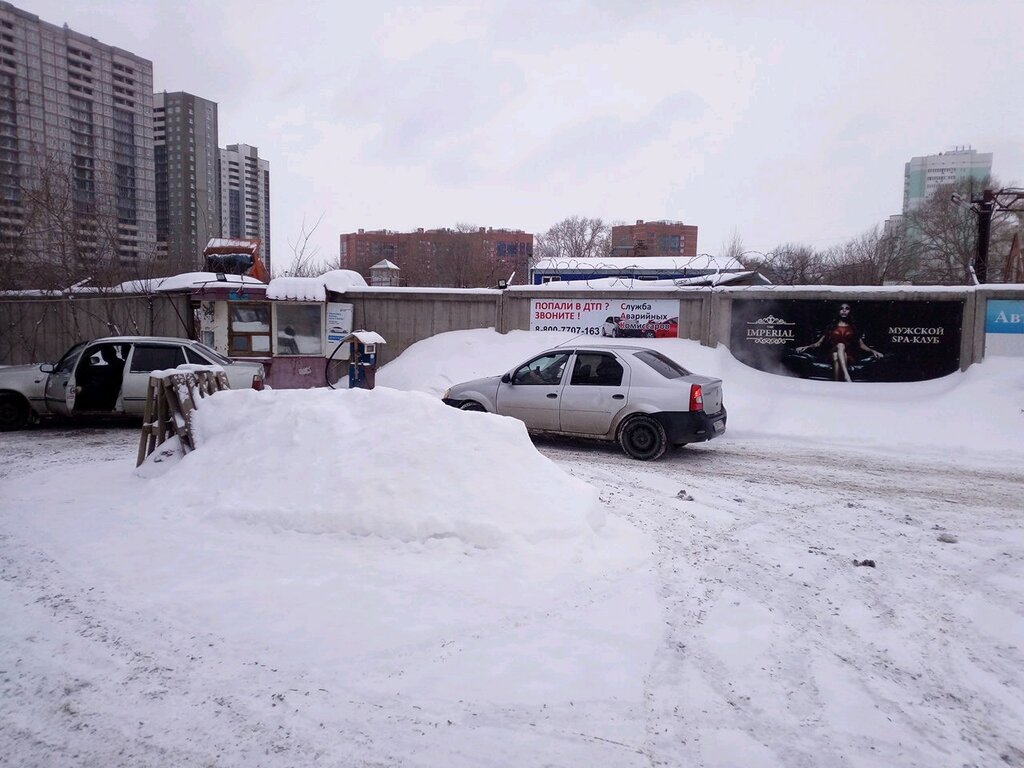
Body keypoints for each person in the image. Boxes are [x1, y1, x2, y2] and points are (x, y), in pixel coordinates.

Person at [795, 302, 883, 382]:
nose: (844, 310)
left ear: (850, 312)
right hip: (832, 351)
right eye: (841, 308)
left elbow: (861, 345)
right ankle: (846, 376)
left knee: (836, 355)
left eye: (847, 309)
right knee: (840, 345)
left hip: (848, 356)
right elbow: (818, 343)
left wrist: (873, 351)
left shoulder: (853, 327)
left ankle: (836, 383)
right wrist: (806, 347)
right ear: (838, 311)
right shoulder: (831, 327)